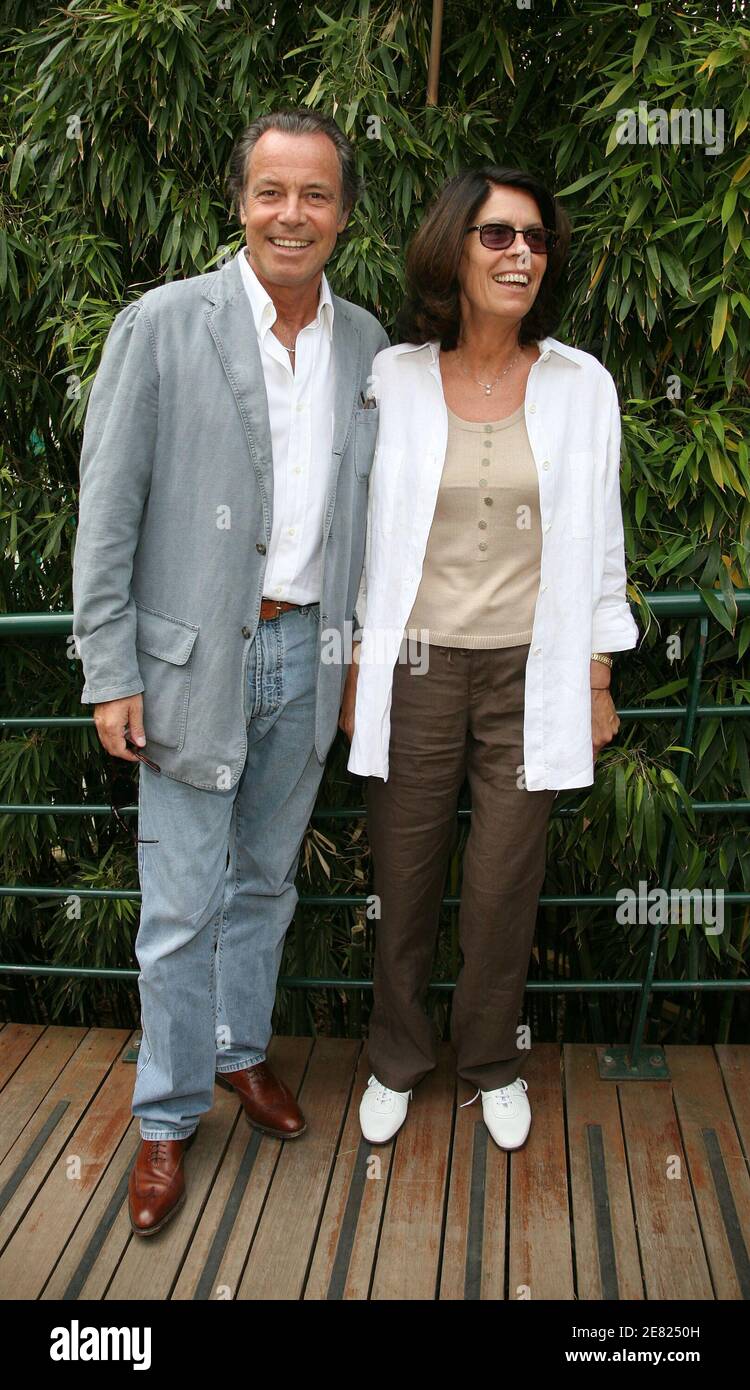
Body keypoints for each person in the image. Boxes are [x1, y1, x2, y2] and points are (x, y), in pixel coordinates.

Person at [72, 109, 388, 1235]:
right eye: (271, 192)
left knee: (266, 883)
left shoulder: (365, 342)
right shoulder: (162, 326)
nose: (291, 215)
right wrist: (111, 668)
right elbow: (104, 516)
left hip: (307, 652)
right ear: (240, 203)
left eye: (314, 196)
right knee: (175, 906)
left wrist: (351, 663)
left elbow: (365, 520)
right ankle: (163, 1122)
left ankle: (237, 1053)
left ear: (343, 215)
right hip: (188, 663)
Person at [341, 166, 639, 1150]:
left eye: (537, 239)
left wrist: (597, 671)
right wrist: (354, 667)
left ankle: (490, 1061)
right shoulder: (390, 377)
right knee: (408, 876)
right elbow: (355, 535)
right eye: (498, 235)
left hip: (532, 672)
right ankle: (395, 1057)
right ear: (452, 249)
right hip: (413, 667)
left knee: (507, 884)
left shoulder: (580, 384)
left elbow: (604, 545)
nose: (521, 253)